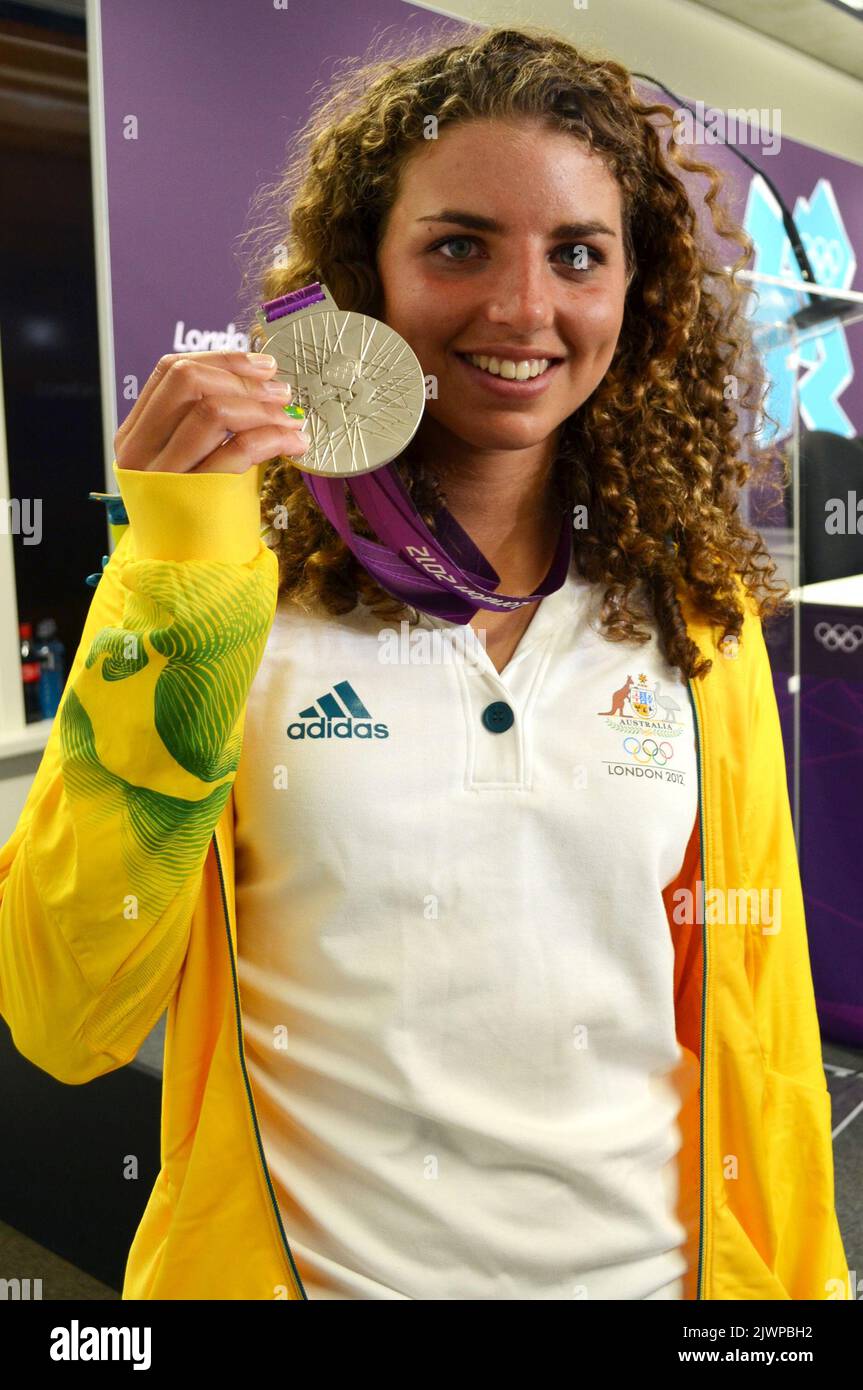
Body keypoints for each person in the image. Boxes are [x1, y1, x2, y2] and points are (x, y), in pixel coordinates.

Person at [0, 25, 849, 1301]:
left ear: (634, 290)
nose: (522, 309)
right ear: (361, 279)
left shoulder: (695, 617)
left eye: (577, 254)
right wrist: (174, 569)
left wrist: (799, 1291)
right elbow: (66, 1018)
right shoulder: (237, 604)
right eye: (457, 245)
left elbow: (757, 1015)